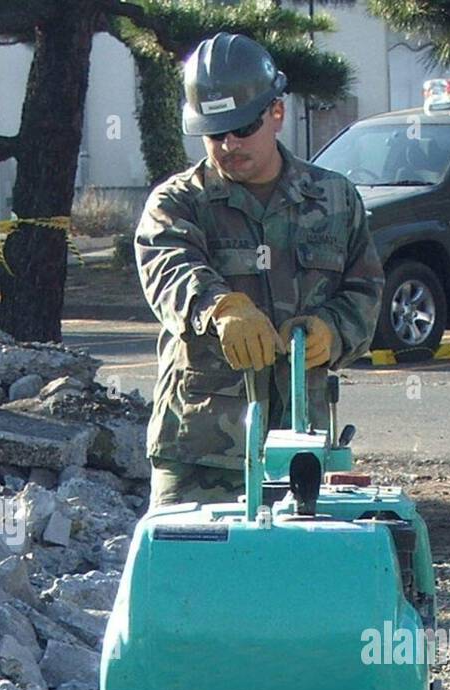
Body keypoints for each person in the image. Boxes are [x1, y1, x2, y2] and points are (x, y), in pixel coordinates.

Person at [134, 31, 385, 508]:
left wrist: (332, 331)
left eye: (242, 127)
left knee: (293, 578)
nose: (228, 145)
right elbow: (168, 267)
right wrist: (221, 306)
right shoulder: (178, 203)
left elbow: (365, 291)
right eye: (214, 133)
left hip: (300, 448)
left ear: (276, 113)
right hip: (200, 450)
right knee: (186, 577)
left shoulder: (334, 200)